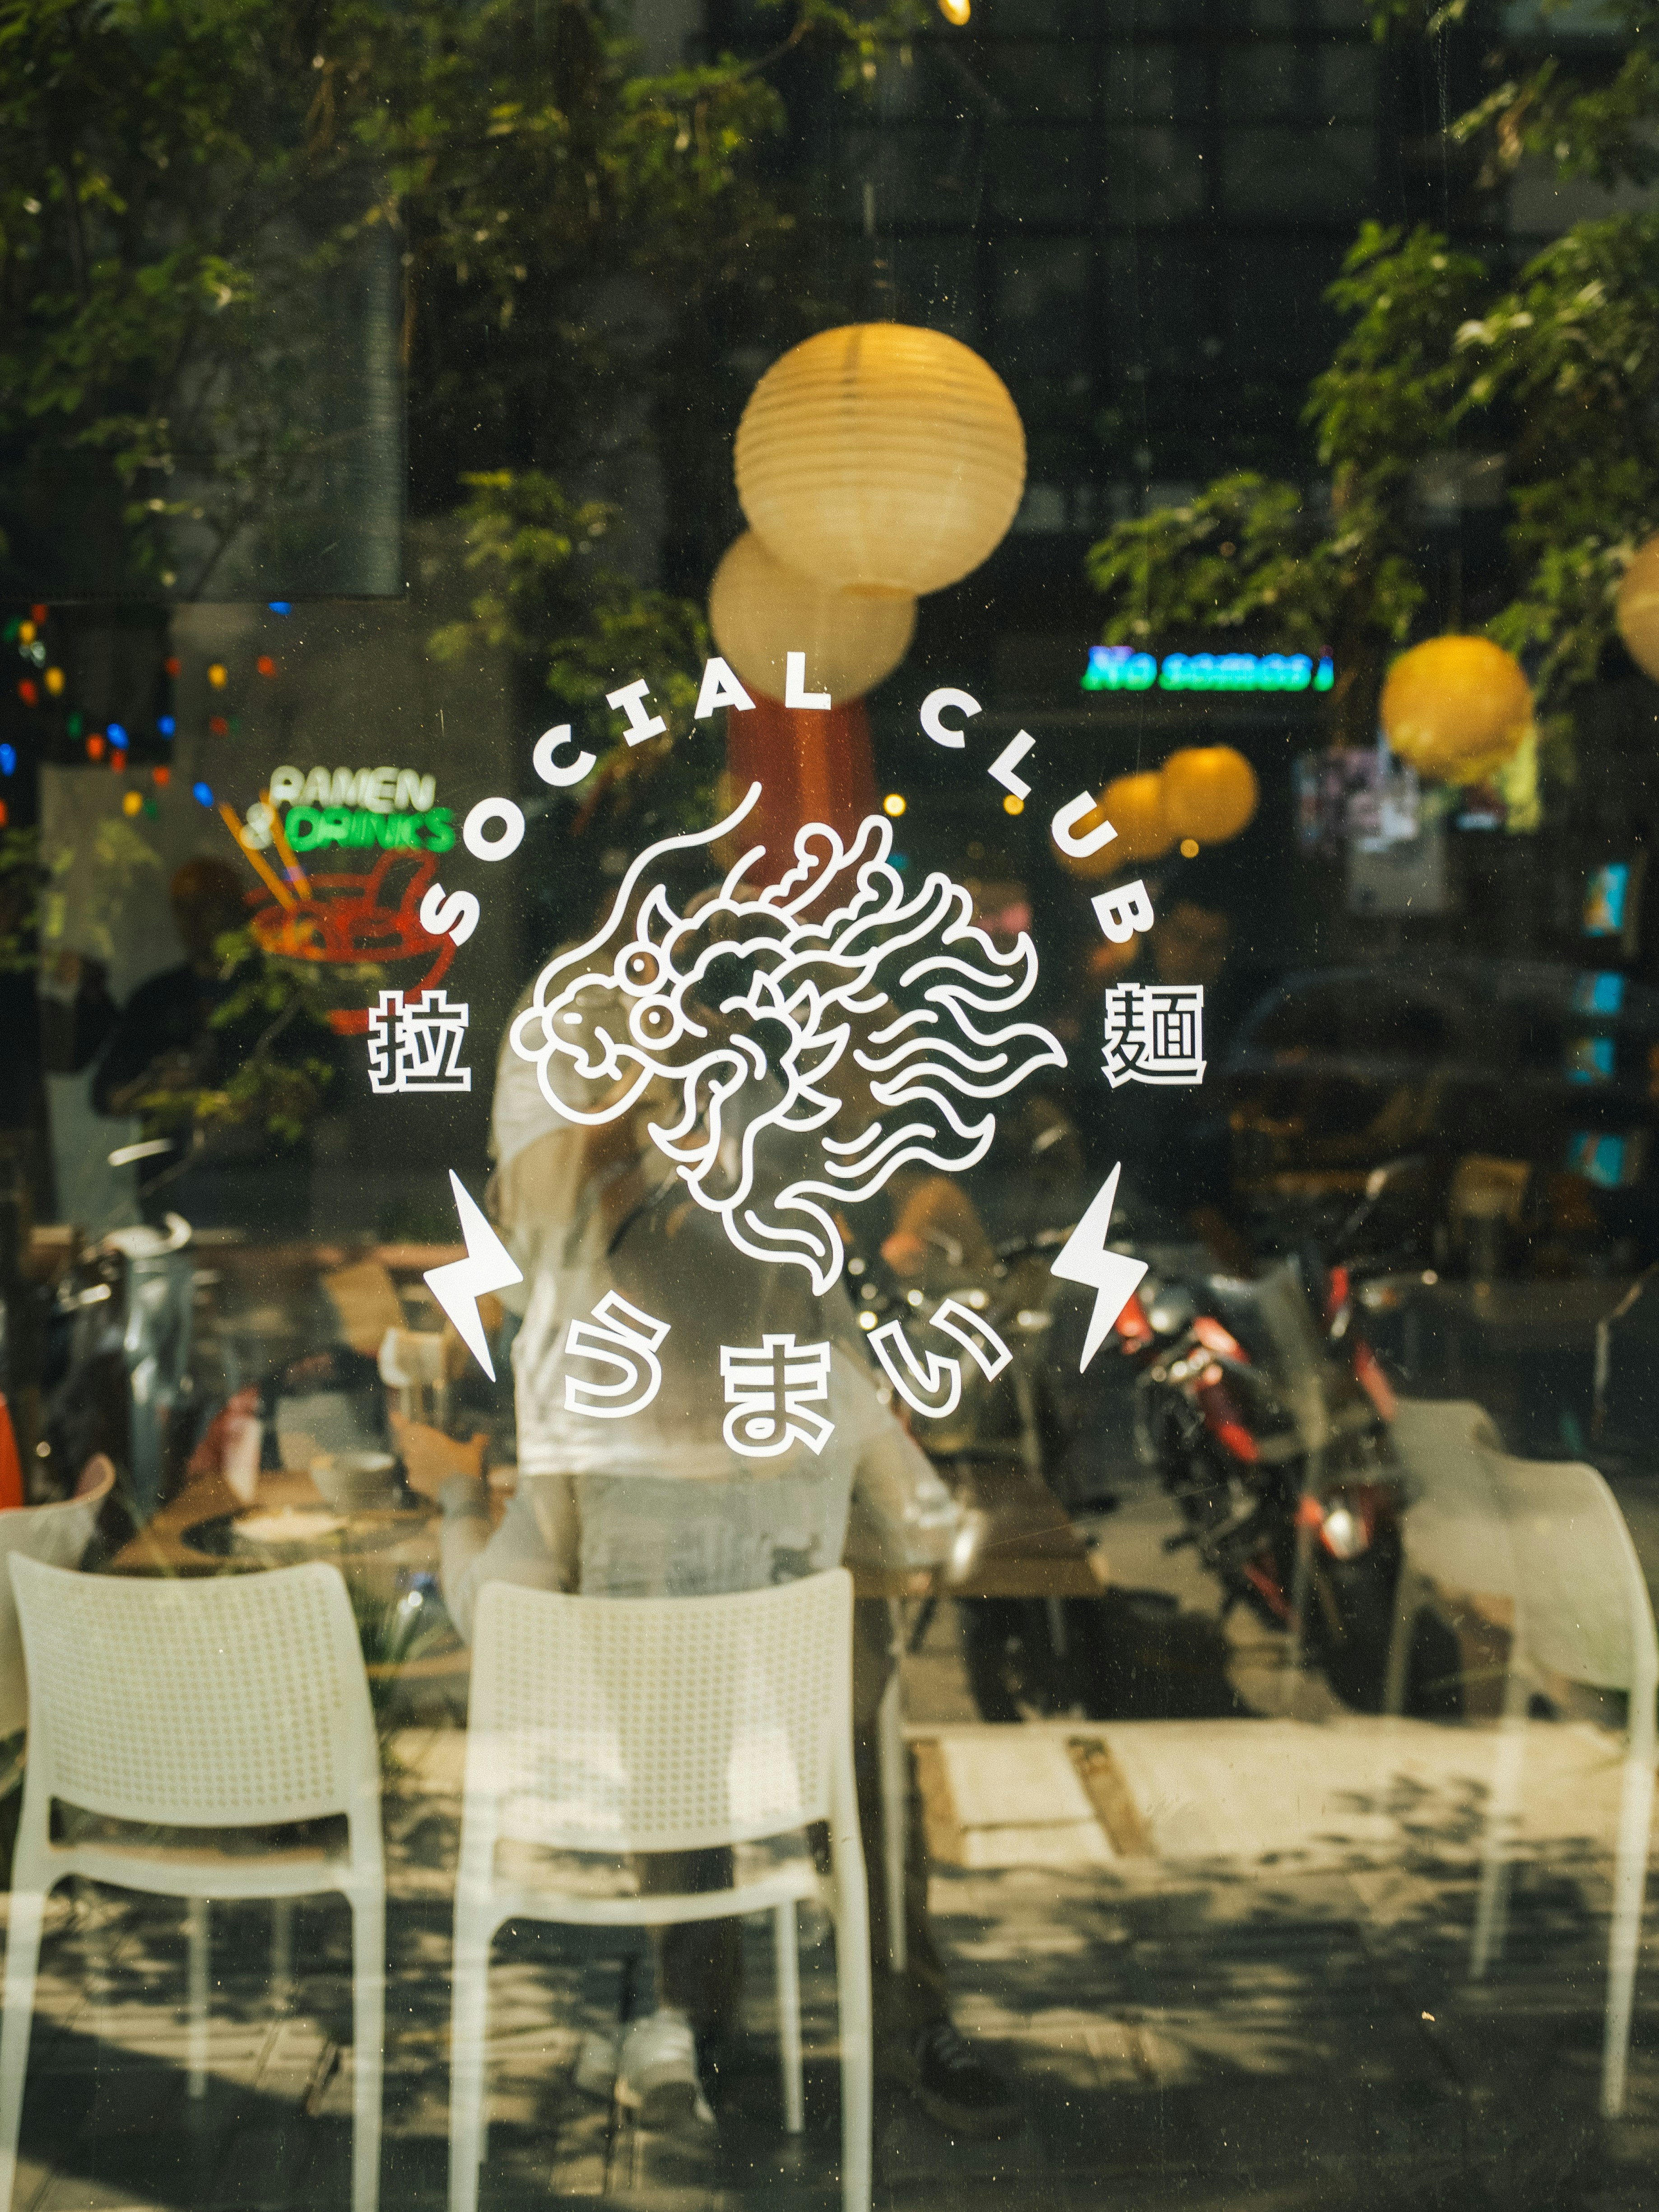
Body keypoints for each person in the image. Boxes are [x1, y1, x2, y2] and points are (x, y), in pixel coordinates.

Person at [404, 936, 1022, 2140]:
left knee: (854, 1777)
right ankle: (721, 2027)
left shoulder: (740, 1126)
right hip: (663, 1524)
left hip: (787, 1517)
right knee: (708, 1790)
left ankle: (877, 2024)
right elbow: (546, 1224)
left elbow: (844, 1179)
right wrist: (638, 1106)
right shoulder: (580, 1140)